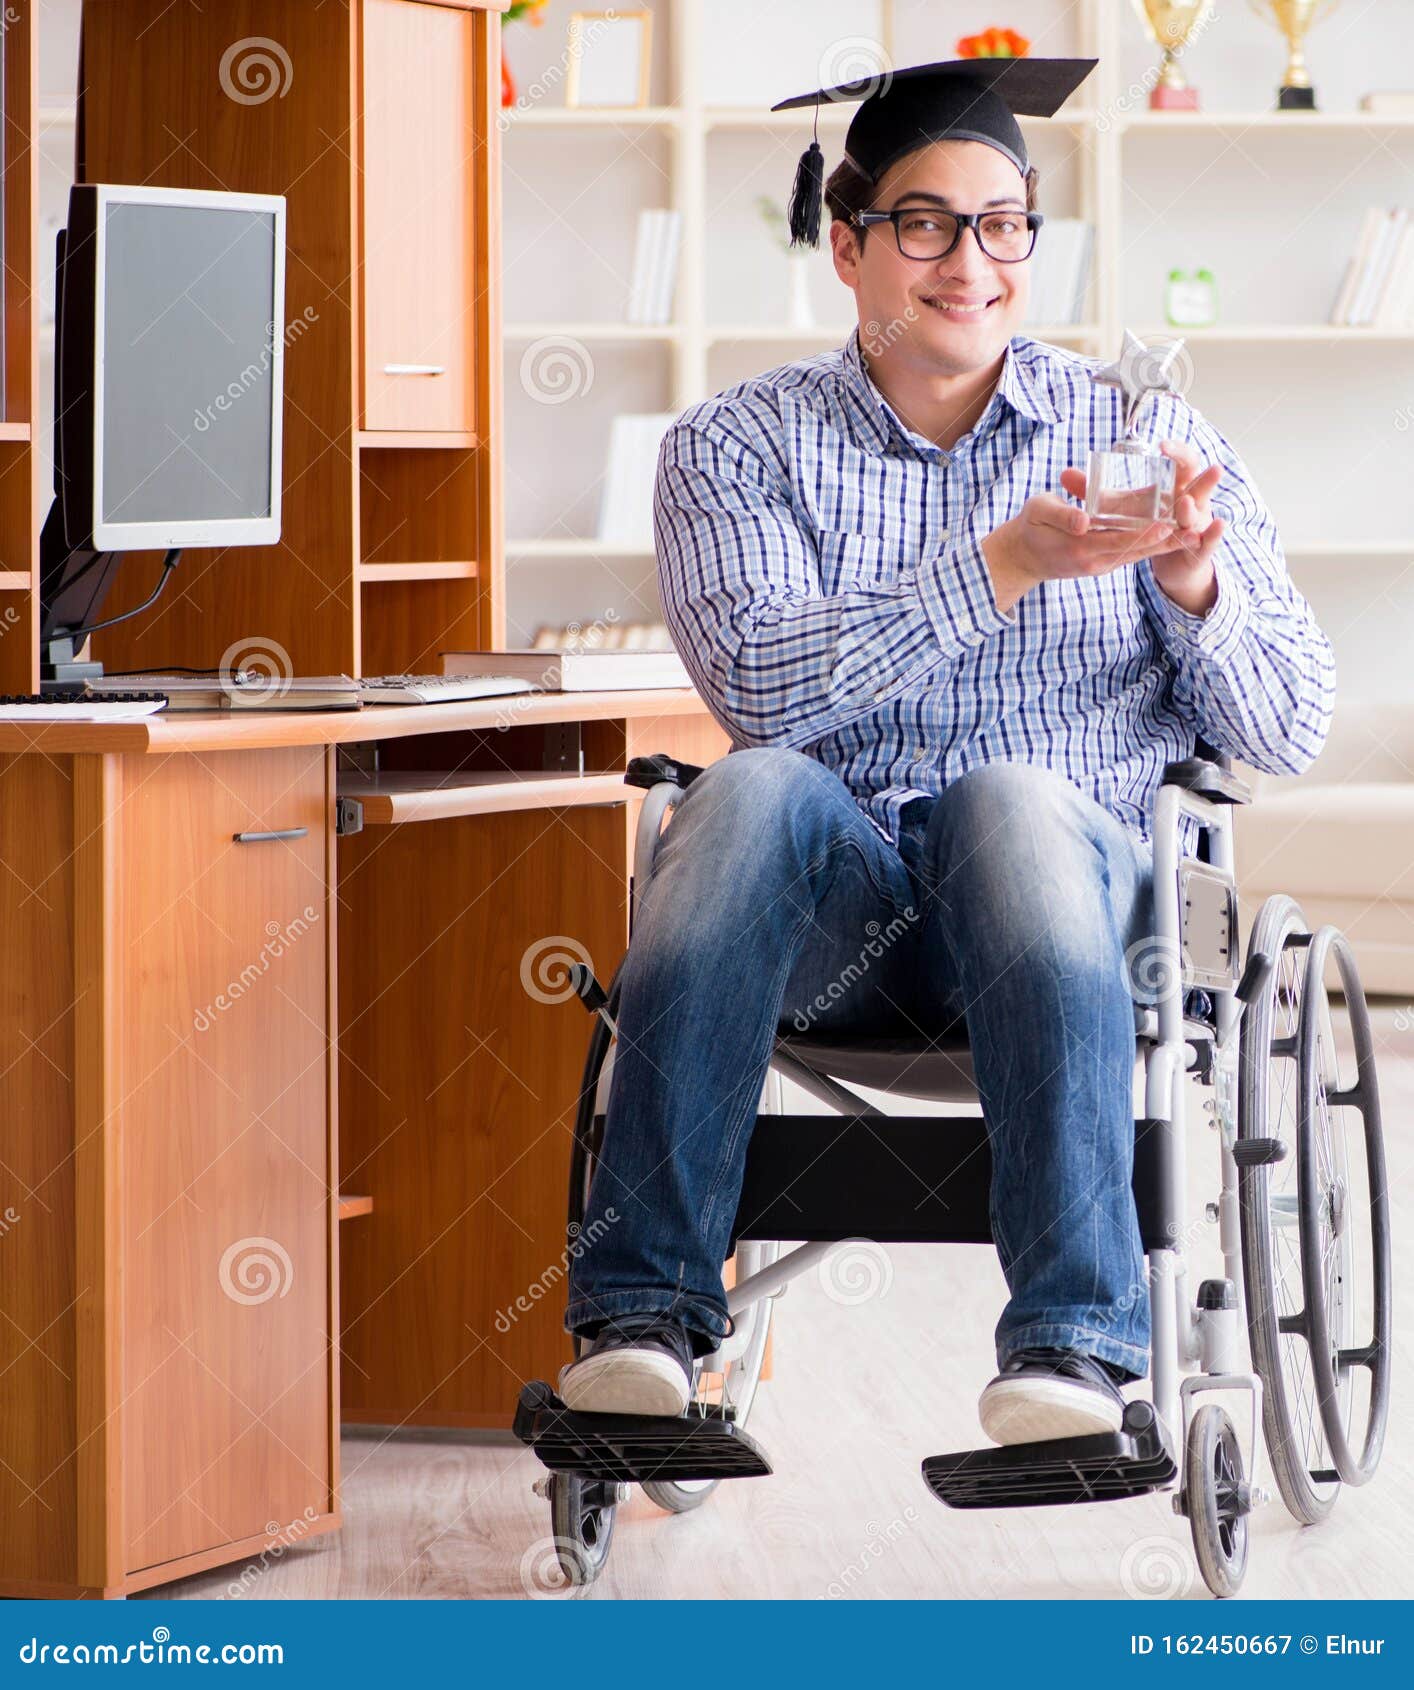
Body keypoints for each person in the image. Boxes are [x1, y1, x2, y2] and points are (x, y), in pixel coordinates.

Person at [560, 56, 1334, 1444]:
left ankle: (1073, 1347)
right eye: (922, 224)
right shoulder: (735, 450)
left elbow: (1285, 726)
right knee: (746, 785)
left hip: (1075, 915)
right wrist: (1004, 562)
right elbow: (758, 682)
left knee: (1007, 801)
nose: (967, 263)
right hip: (842, 920)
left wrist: (1193, 589)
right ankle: (641, 1326)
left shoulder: (1143, 436)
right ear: (846, 248)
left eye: (1002, 225)